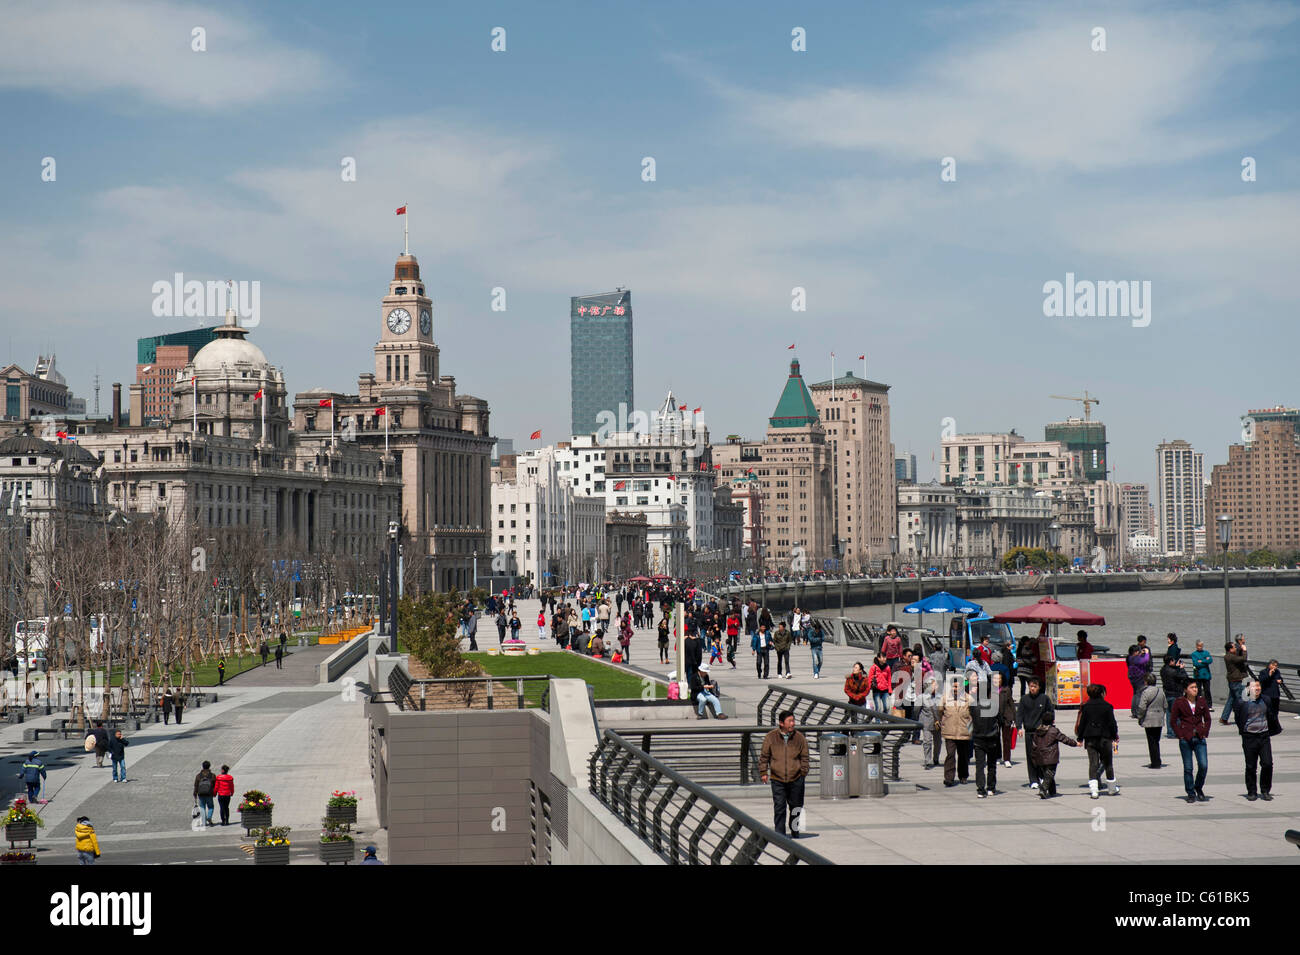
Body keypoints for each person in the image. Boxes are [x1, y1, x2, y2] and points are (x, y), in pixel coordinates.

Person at [758, 711, 809, 838]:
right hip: (777, 778)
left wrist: (803, 772)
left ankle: (795, 831)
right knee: (779, 807)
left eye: (793, 720)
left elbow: (805, 757)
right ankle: (779, 834)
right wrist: (763, 772)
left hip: (796, 778)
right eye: (790, 721)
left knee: (797, 806)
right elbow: (764, 756)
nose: (793, 723)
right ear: (781, 723)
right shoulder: (771, 737)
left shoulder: (799, 737)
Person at [1233, 680, 1279, 801]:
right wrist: (1244, 732)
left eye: (1258, 686)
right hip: (1249, 737)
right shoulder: (1242, 702)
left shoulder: (1266, 700)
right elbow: (1238, 718)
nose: (1257, 688)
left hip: (1264, 736)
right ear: (1248, 689)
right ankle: (1252, 791)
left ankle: (1265, 790)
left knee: (1267, 763)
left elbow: (1271, 715)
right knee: (1251, 766)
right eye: (1254, 686)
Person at [1074, 683, 1119, 799]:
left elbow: (1082, 724)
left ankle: (1094, 790)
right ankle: (1111, 789)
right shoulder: (1107, 706)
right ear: (1101, 693)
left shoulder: (1086, 707)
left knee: (1093, 764)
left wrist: (1080, 738)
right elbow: (1112, 723)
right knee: (1108, 763)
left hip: (1090, 739)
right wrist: (1115, 735)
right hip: (1105, 738)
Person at [1171, 680, 1211, 803]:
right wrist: (1180, 735)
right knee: (1188, 768)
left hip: (1199, 738)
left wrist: (1204, 732)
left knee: (1203, 765)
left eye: (1196, 687)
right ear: (1185, 690)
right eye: (1192, 687)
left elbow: (1208, 719)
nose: (1195, 689)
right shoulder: (1179, 702)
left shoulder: (1202, 701)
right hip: (1186, 738)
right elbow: (1173, 721)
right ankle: (1190, 793)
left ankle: (1198, 787)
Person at [1030, 711, 1078, 799]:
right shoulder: (1054, 731)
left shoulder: (1037, 731)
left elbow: (1034, 745)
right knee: (1050, 773)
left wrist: (1033, 758)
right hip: (1051, 756)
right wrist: (1075, 744)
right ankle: (1043, 789)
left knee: (1047, 773)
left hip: (1040, 756)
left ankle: (1052, 791)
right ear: (1053, 721)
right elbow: (1065, 739)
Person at [968, 676, 1002, 798]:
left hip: (978, 738)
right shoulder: (994, 705)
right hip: (992, 738)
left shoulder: (974, 705)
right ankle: (991, 788)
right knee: (992, 765)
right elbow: (1000, 720)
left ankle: (980, 789)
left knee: (979, 765)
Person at [937, 679, 972, 787]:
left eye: (957, 687)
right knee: (950, 755)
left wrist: (970, 732)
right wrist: (942, 723)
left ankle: (963, 776)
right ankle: (949, 778)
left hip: (964, 732)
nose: (955, 689)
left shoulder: (969, 699)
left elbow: (973, 716)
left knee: (963, 756)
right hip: (950, 731)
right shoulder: (945, 698)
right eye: (953, 687)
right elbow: (940, 711)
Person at [1135, 673, 1166, 768]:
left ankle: (1155, 762)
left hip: (1149, 719)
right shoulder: (1160, 691)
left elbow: (1142, 706)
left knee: (1151, 741)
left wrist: (1140, 716)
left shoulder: (1146, 692)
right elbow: (1165, 705)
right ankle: (1157, 760)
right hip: (1159, 718)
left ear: (1146, 681)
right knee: (1156, 740)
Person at [1219, 637, 1248, 725]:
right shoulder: (1231, 657)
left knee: (1231, 700)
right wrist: (1245, 650)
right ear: (1230, 649)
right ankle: (1242, 718)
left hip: (1233, 680)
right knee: (1241, 699)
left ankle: (1224, 718)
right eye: (1234, 647)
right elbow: (1243, 659)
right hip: (1237, 680)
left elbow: (1238, 655)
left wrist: (1240, 644)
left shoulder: (1228, 656)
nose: (1235, 648)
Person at [1160, 658, 1189, 740]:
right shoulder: (1174, 672)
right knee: (1178, 714)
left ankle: (1170, 731)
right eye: (1173, 661)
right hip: (1176, 694)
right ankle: (1177, 731)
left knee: (1169, 713)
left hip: (1167, 694)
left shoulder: (1163, 670)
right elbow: (1184, 677)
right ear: (1170, 662)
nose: (1175, 662)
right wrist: (1182, 668)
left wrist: (1177, 668)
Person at [918, 676, 941, 769]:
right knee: (927, 742)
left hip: (938, 723)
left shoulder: (940, 696)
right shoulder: (921, 697)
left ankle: (936, 758)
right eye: (934, 685)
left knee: (938, 742)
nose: (937, 687)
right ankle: (927, 760)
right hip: (926, 722)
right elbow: (916, 710)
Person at [1126, 639, 1152, 718]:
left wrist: (1141, 653)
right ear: (1135, 652)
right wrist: (1147, 653)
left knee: (1135, 694)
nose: (1139, 652)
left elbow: (1138, 660)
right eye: (1138, 651)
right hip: (1139, 678)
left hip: (1132, 678)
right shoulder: (1136, 659)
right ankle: (1137, 712)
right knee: (1139, 695)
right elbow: (1145, 660)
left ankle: (1134, 712)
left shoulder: (1129, 658)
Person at [1189, 641, 1213, 708]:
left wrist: (1202, 661)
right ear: (1196, 646)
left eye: (1201, 646)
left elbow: (1210, 660)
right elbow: (1196, 663)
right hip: (1198, 675)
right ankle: (1197, 704)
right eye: (1199, 646)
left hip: (1206, 675)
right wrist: (1205, 661)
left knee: (1207, 690)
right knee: (1197, 691)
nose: (1200, 647)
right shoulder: (1194, 654)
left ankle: (1209, 705)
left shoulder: (1206, 652)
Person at [194, 760, 218, 826]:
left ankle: (204, 822)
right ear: (209, 766)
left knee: (202, 807)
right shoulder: (212, 775)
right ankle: (209, 817)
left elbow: (196, 785)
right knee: (211, 807)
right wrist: (214, 793)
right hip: (209, 794)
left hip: (201, 794)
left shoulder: (198, 776)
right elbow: (215, 785)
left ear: (202, 766)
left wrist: (195, 794)